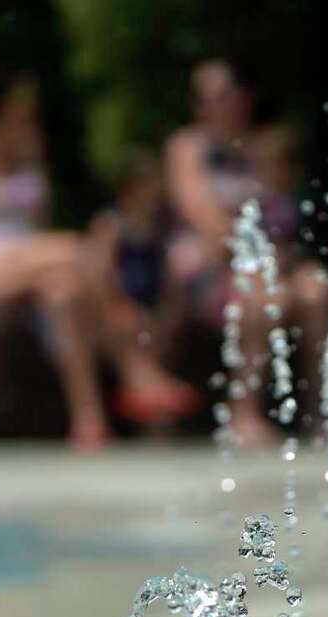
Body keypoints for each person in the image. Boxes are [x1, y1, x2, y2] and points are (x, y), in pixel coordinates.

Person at [0, 69, 193, 446]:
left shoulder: (30, 149)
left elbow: (38, 222)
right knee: (73, 249)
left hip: (32, 264)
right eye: (21, 99)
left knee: (63, 292)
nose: (31, 106)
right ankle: (137, 368)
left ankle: (88, 421)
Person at [163, 58, 328, 446]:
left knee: (317, 290)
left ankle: (319, 413)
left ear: (242, 98)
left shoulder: (264, 147)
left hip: (272, 261)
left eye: (221, 96)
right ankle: (244, 413)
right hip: (210, 270)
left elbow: (283, 213)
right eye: (202, 98)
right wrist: (258, 256)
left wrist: (277, 257)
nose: (211, 106)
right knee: (261, 297)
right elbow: (202, 217)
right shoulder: (188, 148)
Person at [84, 147, 201, 426]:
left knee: (155, 324)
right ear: (128, 189)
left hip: (150, 311)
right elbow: (99, 278)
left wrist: (167, 313)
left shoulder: (161, 229)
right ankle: (146, 382)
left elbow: (170, 280)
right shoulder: (111, 226)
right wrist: (118, 307)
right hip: (117, 314)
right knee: (129, 323)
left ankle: (151, 392)